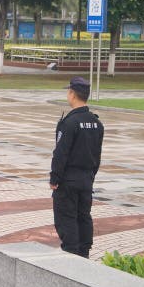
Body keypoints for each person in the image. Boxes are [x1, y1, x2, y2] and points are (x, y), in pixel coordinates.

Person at [50, 76, 104, 259]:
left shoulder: (70, 123)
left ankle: (71, 255)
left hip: (68, 180)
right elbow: (97, 155)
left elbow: (61, 153)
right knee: (83, 216)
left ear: (72, 94)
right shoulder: (97, 123)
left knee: (66, 218)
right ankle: (84, 253)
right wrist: (90, 176)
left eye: (68, 91)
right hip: (86, 180)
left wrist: (54, 178)